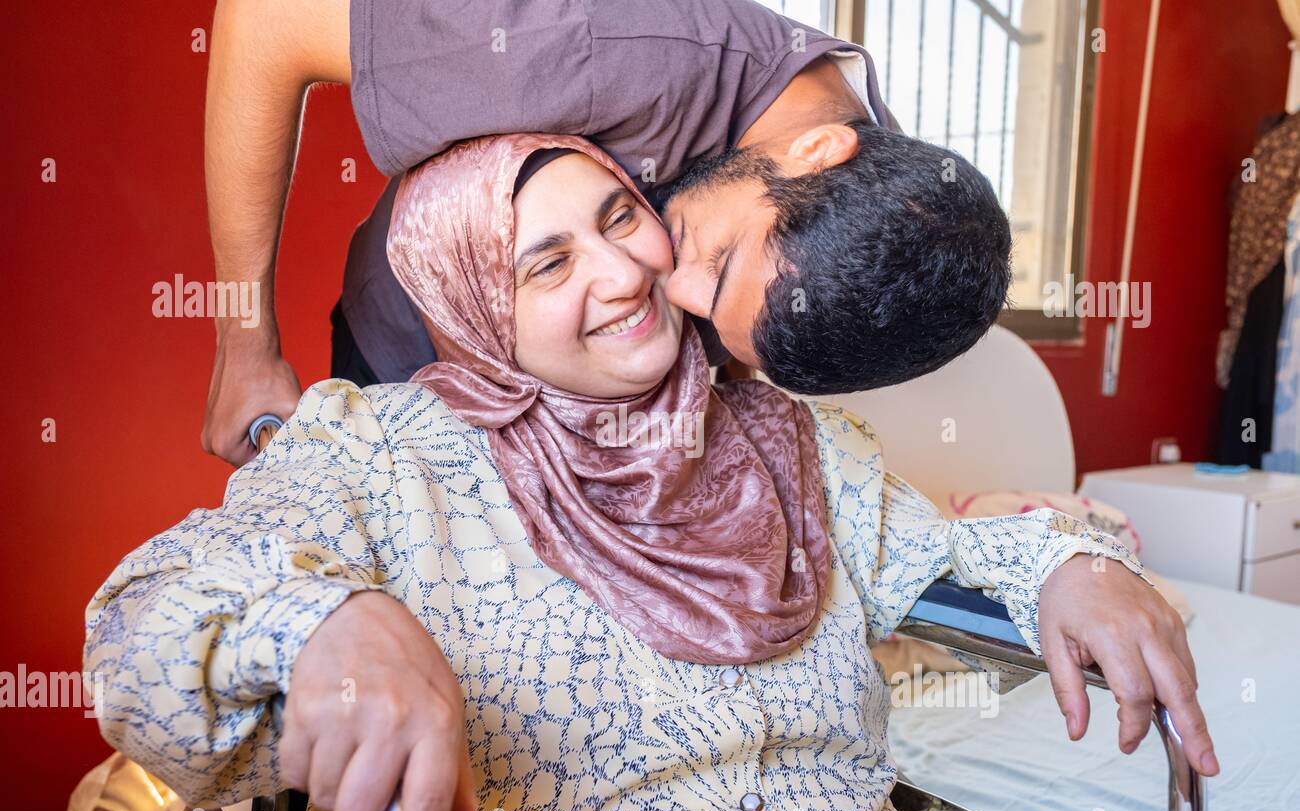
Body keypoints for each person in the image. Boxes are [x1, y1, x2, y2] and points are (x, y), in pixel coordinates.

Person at [88, 134, 1215, 811]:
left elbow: (948, 548)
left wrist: (1075, 563)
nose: (623, 274)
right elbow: (142, 631)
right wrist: (325, 618)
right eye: (545, 264)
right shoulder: (381, 451)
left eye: (621, 218)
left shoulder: (798, 436)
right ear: (470, 301)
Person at [202, 0, 1010, 465]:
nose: (667, 283)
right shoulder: (592, 50)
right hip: (411, 360)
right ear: (813, 153)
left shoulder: (879, 202)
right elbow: (267, 23)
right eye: (717, 266)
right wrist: (247, 350)